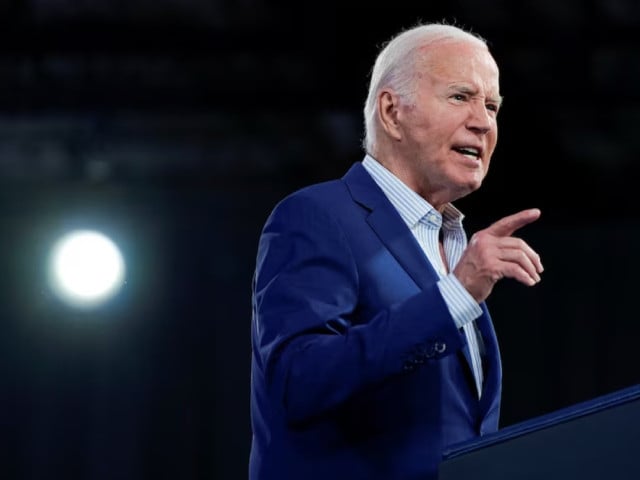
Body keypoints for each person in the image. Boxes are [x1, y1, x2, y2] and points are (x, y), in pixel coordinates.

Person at [249, 21, 543, 480]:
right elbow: (298, 383)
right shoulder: (317, 216)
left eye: (492, 105)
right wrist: (455, 296)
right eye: (461, 97)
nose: (484, 121)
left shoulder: (452, 243)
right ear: (391, 111)